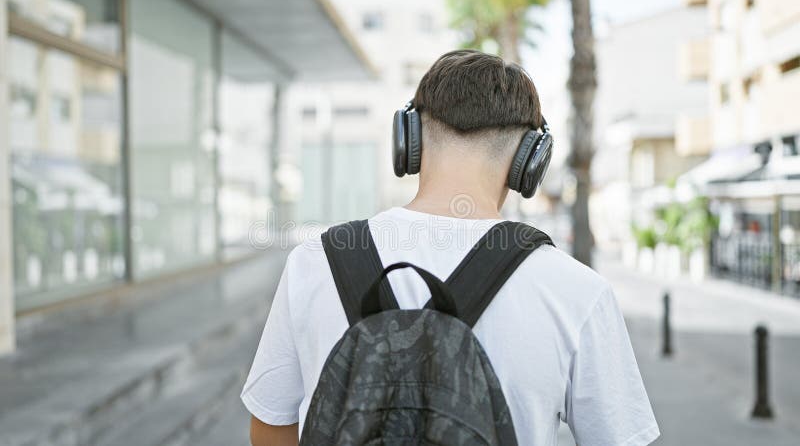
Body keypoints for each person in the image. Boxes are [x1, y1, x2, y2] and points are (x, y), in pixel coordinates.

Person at [242, 50, 659, 446]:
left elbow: (270, 426)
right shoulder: (577, 291)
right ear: (529, 161)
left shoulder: (315, 262)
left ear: (409, 141)